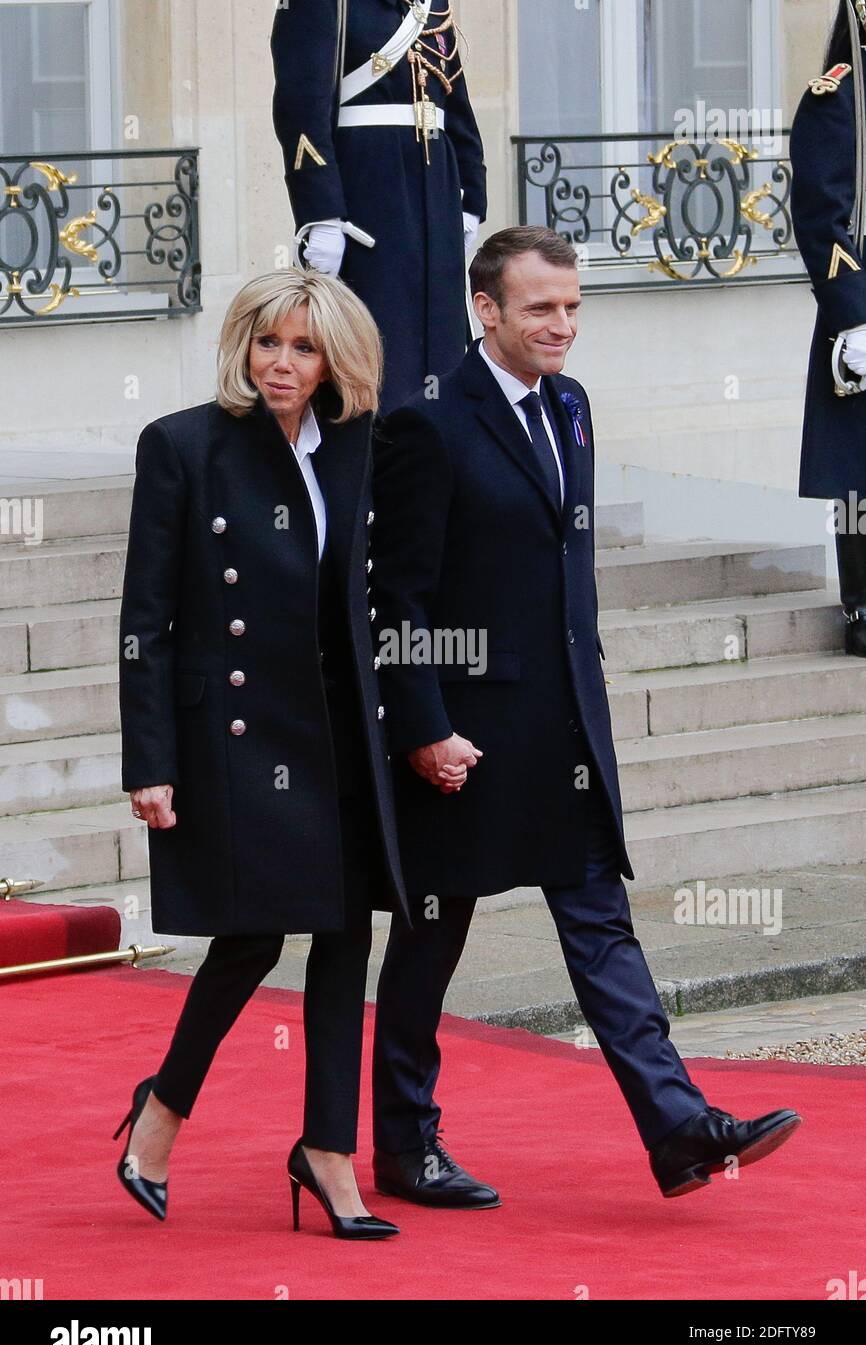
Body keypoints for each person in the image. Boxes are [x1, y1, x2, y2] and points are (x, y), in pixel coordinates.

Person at [368, 226, 802, 1205]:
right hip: (463, 739)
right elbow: (396, 599)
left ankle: (677, 1127)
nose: (561, 325)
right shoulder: (426, 424)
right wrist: (425, 728)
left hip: (562, 728)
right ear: (486, 311)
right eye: (539, 309)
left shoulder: (571, 407)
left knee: (600, 923)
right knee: (429, 937)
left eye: (571, 307)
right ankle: (403, 1141)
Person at [115, 269, 410, 1240]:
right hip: (234, 733)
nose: (280, 364)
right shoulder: (183, 446)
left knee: (342, 931)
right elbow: (146, 621)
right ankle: (163, 1110)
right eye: (267, 343)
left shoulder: (357, 446)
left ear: (336, 359)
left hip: (335, 726)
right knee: (248, 936)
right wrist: (149, 760)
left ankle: (327, 1146)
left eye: (303, 347)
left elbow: (379, 596)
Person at [270, 0, 487, 413]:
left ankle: (435, 447)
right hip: (368, 186)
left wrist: (472, 195)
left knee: (441, 341)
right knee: (376, 340)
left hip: (435, 188)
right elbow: (300, 104)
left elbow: (455, 103)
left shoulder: (430, 5)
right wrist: (321, 212)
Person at [790, 0, 866, 655]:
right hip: (864, 305)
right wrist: (854, 314)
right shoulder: (838, 95)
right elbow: (822, 217)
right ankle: (863, 606)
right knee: (860, 470)